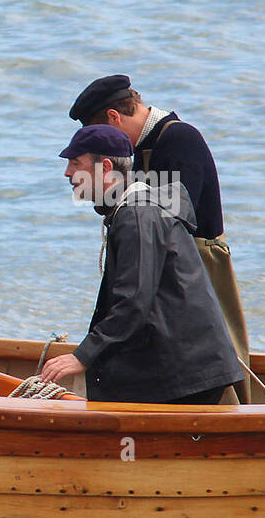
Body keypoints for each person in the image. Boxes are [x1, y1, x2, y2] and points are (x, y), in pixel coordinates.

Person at [69, 75, 250, 402]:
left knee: (219, 347)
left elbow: (180, 216)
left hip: (198, 256)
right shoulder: (140, 147)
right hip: (163, 253)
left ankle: (240, 415)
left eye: (108, 134)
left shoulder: (180, 139)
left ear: (114, 117)